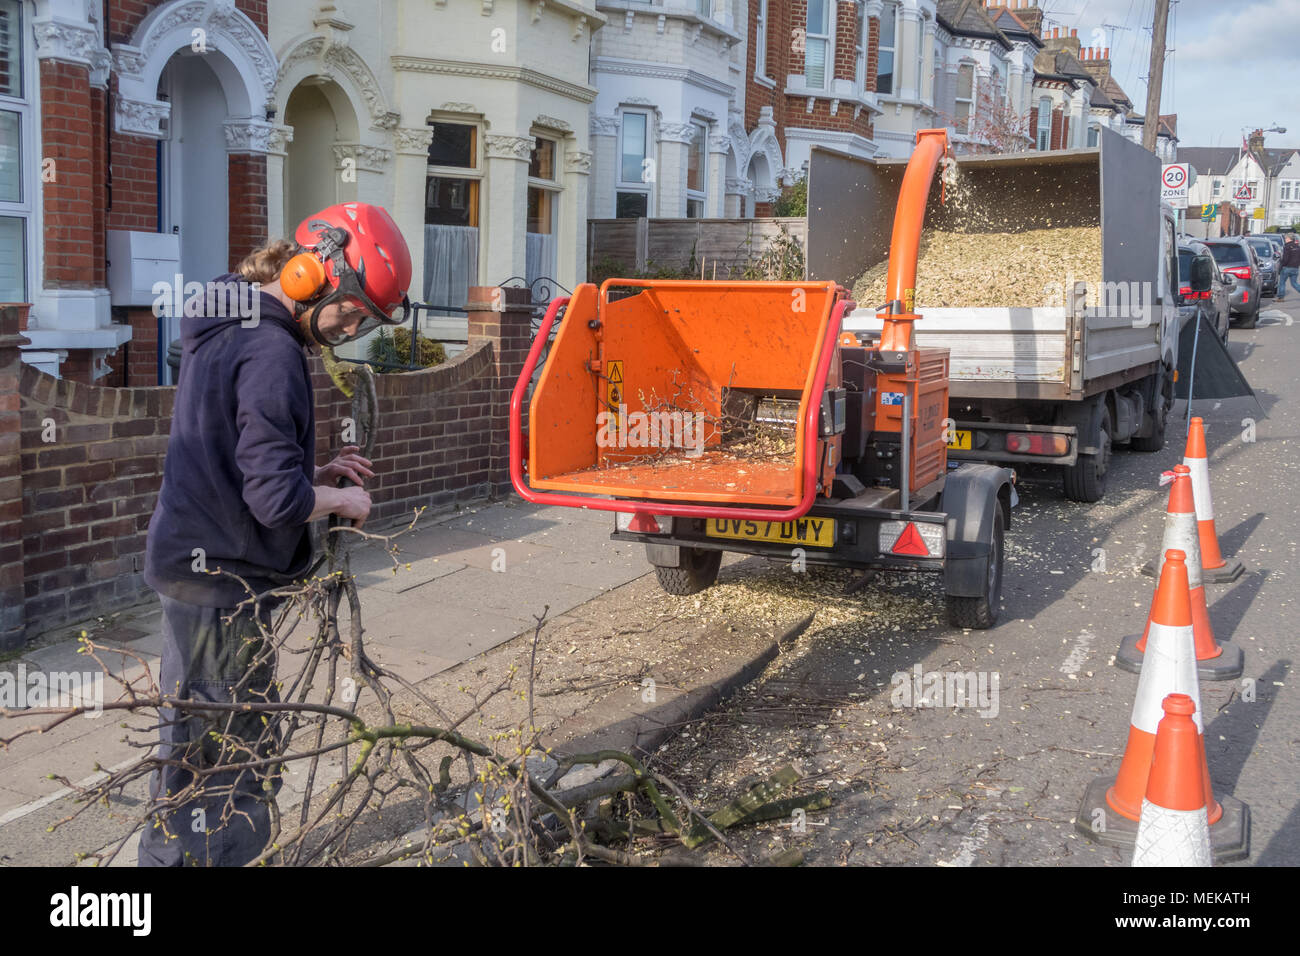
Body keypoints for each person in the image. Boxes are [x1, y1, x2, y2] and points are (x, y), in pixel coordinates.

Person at [139, 203, 413, 866]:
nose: (349, 329)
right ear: (305, 274)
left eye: (363, 321)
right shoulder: (272, 352)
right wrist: (338, 497)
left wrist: (314, 473)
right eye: (351, 311)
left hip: (197, 569)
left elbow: (241, 459)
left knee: (202, 740)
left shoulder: (228, 318)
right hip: (219, 586)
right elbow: (274, 499)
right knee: (223, 757)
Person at [1277, 233, 1300, 301]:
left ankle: (1281, 297)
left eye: (1285, 238)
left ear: (1288, 239)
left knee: (1282, 282)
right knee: (1294, 283)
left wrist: (1281, 266)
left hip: (1287, 267)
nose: (1285, 239)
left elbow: (1285, 258)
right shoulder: (1297, 247)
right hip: (1295, 267)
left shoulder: (1287, 246)